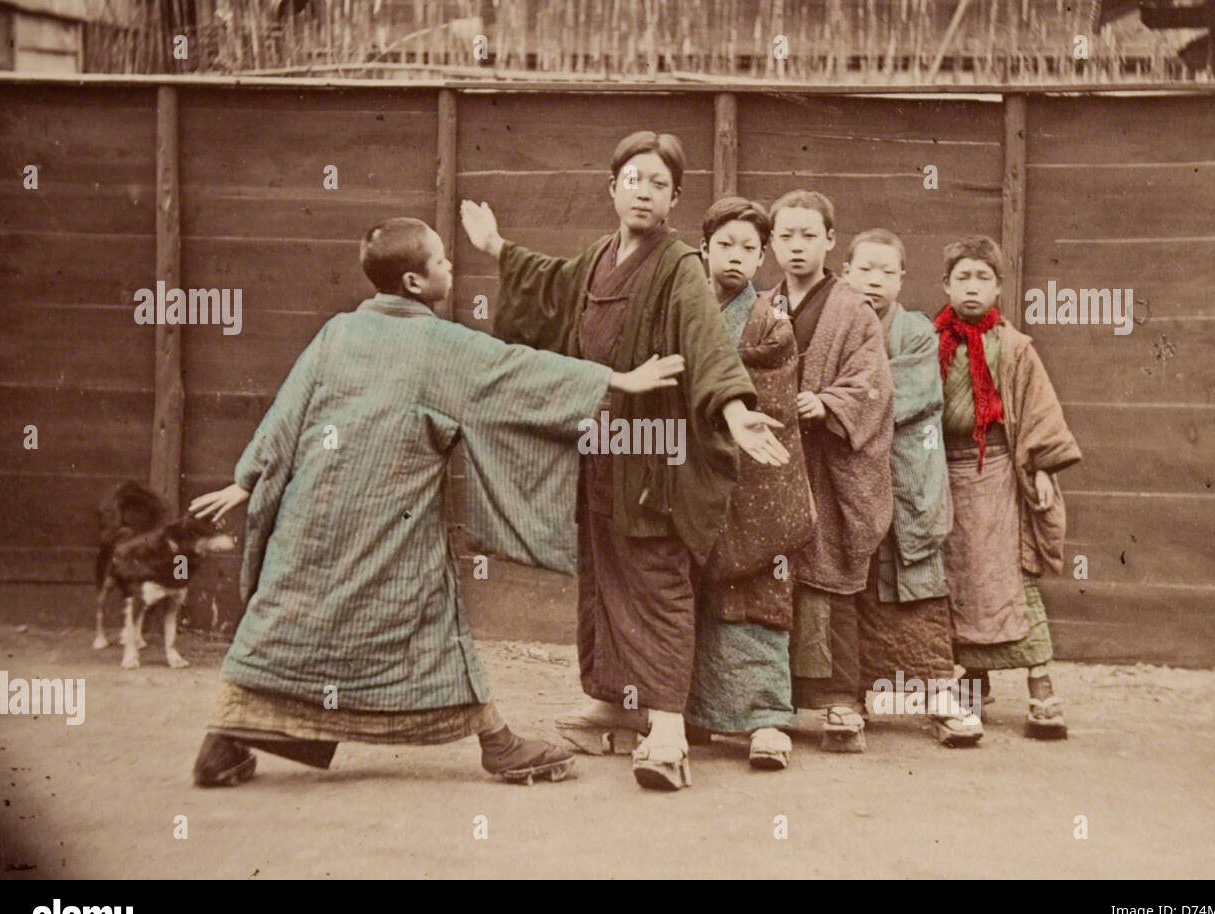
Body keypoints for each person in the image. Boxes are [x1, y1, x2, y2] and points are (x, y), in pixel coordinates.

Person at [188, 216, 686, 788]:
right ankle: (497, 742)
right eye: (442, 261)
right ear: (414, 283)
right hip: (390, 520)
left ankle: (222, 742)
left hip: (311, 510)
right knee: (428, 612)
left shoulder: (337, 332)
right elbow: (517, 371)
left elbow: (289, 410)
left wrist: (248, 480)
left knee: (286, 615)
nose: (452, 266)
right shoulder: (439, 344)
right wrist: (617, 381)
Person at [460, 131, 789, 791]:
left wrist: (731, 412)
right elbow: (547, 285)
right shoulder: (595, 259)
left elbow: (705, 343)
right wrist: (496, 248)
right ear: (612, 188)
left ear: (673, 199)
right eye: (633, 178)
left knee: (658, 578)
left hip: (659, 453)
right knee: (605, 572)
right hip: (604, 446)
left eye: (659, 183)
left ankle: (666, 729)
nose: (644, 190)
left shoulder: (679, 267)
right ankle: (615, 701)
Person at [684, 197, 815, 771]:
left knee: (760, 593)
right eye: (725, 245)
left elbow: (774, 403)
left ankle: (766, 719)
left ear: (763, 257)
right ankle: (700, 715)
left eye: (748, 248)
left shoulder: (769, 321)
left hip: (757, 478)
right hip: (694, 471)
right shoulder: (681, 305)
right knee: (693, 596)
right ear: (704, 247)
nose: (735, 257)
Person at [840, 229, 982, 746]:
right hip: (850, 482)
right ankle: (850, 701)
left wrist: (845, 398)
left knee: (918, 592)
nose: (874, 280)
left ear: (902, 278)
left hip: (909, 480)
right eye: (865, 269)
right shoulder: (835, 325)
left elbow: (912, 392)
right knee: (854, 590)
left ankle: (942, 701)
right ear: (846, 272)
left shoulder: (918, 332)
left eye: (886, 271)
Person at [936, 236, 1081, 740]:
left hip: (999, 475)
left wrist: (1041, 469)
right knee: (956, 582)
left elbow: (1038, 413)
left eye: (982, 278)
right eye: (962, 277)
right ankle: (971, 686)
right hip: (944, 476)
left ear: (999, 286)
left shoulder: (1015, 348)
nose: (972, 288)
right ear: (945, 285)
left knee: (1012, 581)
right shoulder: (929, 341)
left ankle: (1041, 687)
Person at [765, 189, 895, 753]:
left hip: (829, 464)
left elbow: (874, 383)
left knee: (831, 581)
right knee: (770, 579)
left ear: (830, 242)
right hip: (772, 464)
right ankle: (774, 700)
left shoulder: (852, 309)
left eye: (808, 235)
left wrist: (830, 404)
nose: (797, 246)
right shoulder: (761, 303)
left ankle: (842, 703)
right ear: (771, 242)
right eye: (786, 235)